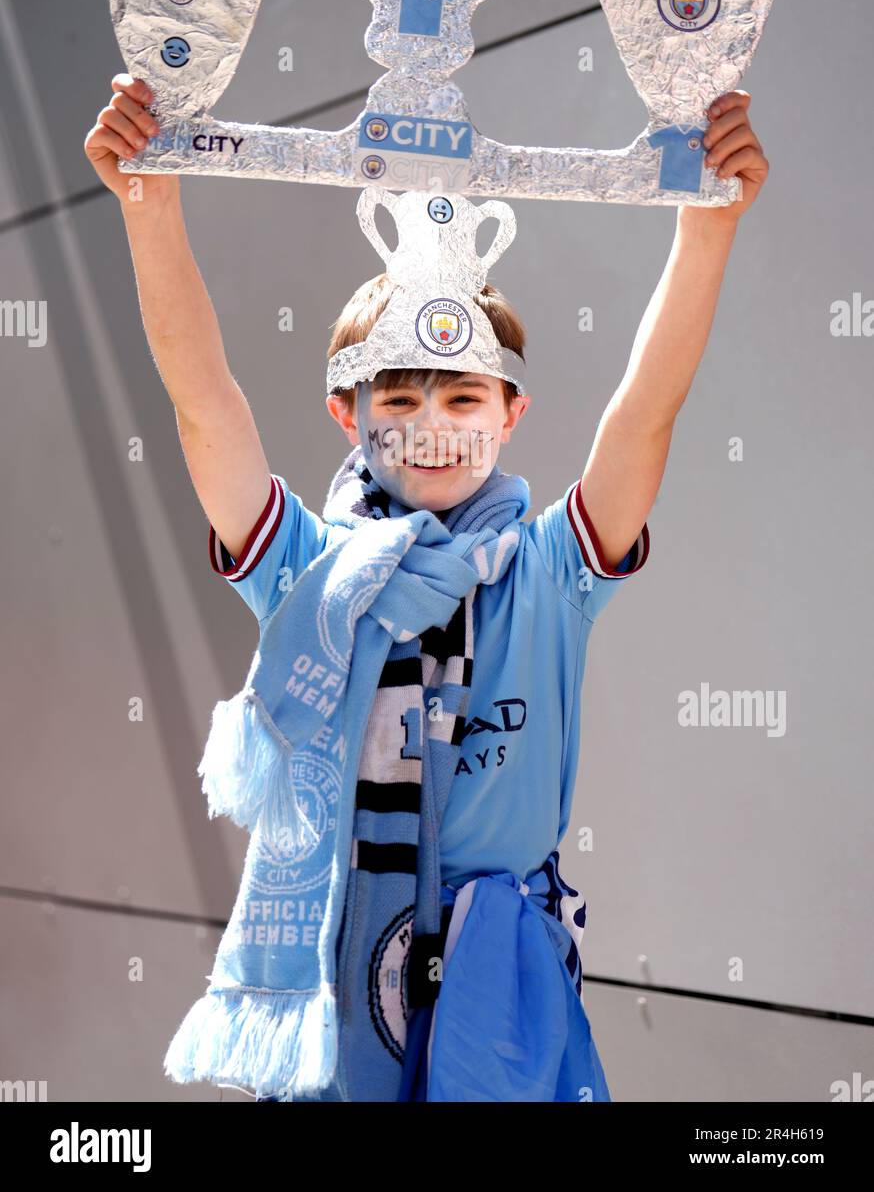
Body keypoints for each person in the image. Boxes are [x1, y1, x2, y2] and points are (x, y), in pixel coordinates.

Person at [83, 75, 769, 1102]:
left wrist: (706, 230)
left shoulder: (550, 570)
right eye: (398, 397)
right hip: (337, 994)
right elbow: (203, 405)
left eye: (463, 396)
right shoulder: (306, 572)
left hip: (499, 997)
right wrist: (149, 208)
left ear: (510, 413)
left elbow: (644, 416)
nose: (432, 423)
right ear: (347, 414)